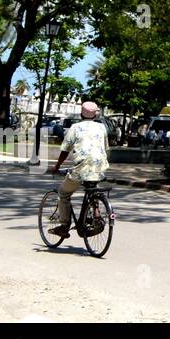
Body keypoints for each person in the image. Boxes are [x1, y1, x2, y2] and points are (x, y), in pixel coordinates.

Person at [48, 101, 110, 238]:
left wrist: (57, 166)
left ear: (81, 113)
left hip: (81, 167)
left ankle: (64, 226)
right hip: (99, 167)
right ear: (95, 115)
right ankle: (96, 215)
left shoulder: (75, 127)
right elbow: (105, 148)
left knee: (63, 193)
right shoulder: (101, 127)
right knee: (92, 188)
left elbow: (65, 149)